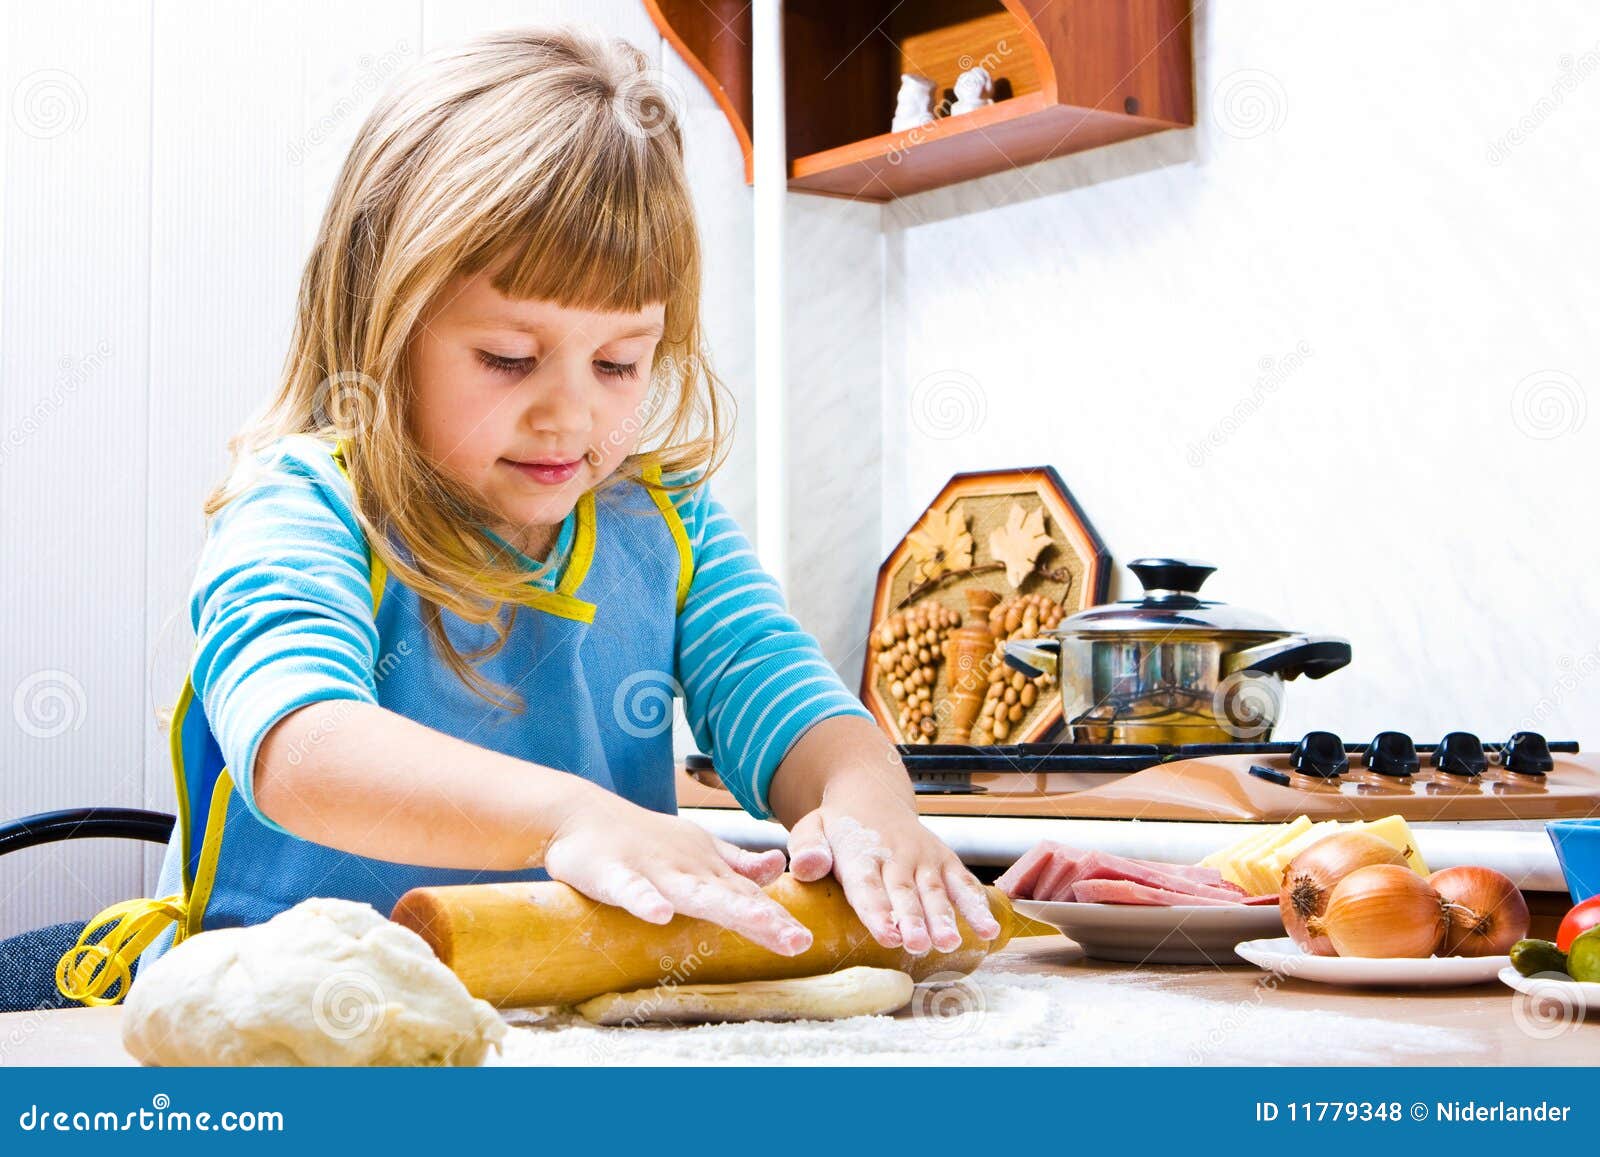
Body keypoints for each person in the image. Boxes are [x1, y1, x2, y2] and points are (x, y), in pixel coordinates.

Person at [59, 26, 997, 1004]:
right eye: (508, 356)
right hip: (282, 1023)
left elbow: (796, 708)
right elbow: (301, 747)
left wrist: (866, 806)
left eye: (618, 361)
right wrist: (567, 817)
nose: (569, 413)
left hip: (560, 1027)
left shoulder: (666, 522)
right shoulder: (308, 502)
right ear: (381, 324)